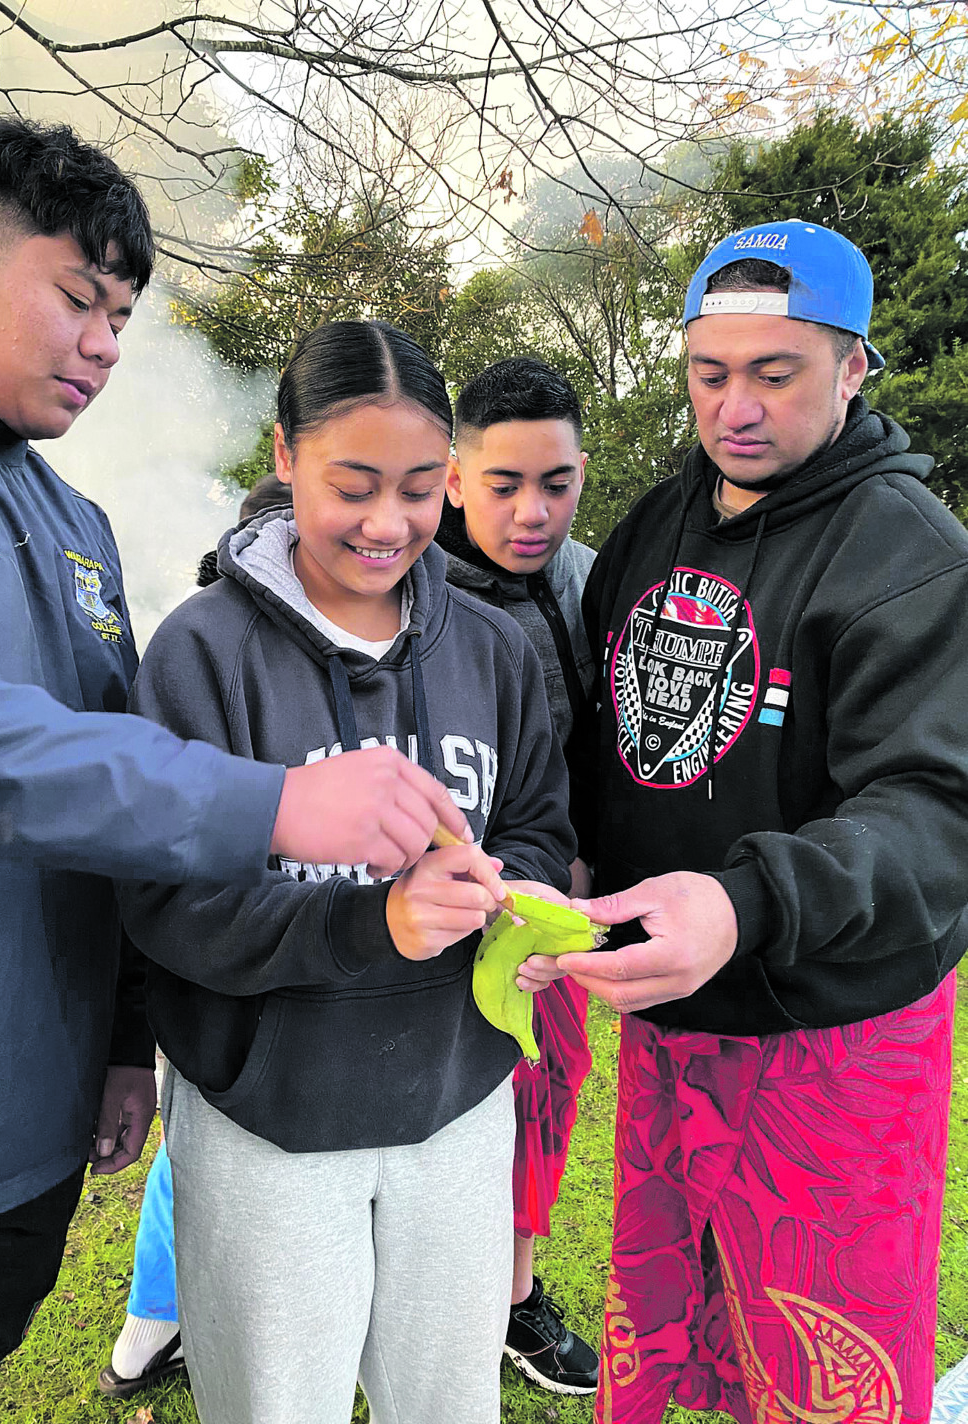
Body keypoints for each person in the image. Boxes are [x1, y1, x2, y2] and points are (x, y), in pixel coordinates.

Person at [0, 116, 473, 1424]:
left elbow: (112, 803)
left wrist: (121, 1041)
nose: (107, 344)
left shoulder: (74, 519)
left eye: (126, 318)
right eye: (81, 301)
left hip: (26, 1123)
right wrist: (275, 802)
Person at [520, 220, 968, 1424]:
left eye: (777, 372)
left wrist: (744, 899)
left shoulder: (913, 557)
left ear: (855, 366)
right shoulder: (660, 525)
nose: (738, 408)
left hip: (836, 1036)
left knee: (826, 1363)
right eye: (711, 373)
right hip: (675, 1023)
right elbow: (608, 721)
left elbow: (934, 811)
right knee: (673, 1331)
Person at [117, 319, 577, 1424]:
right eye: (353, 483)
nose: (389, 522)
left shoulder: (492, 646)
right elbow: (166, 904)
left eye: (421, 488)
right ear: (285, 456)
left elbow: (538, 823)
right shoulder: (200, 654)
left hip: (459, 1107)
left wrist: (518, 895)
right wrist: (378, 922)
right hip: (267, 1123)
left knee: (449, 1401)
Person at [97, 474, 296, 1402]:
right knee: (198, 1155)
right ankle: (154, 1329)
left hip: (269, 981)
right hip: (219, 982)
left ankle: (154, 1328)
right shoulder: (204, 656)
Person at [438, 357, 599, 1395]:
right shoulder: (406, 577)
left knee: (546, 1094)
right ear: (454, 475)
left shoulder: (590, 572)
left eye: (558, 480)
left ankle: (510, 1299)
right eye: (503, 484)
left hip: (552, 905)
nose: (532, 511)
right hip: (423, 908)